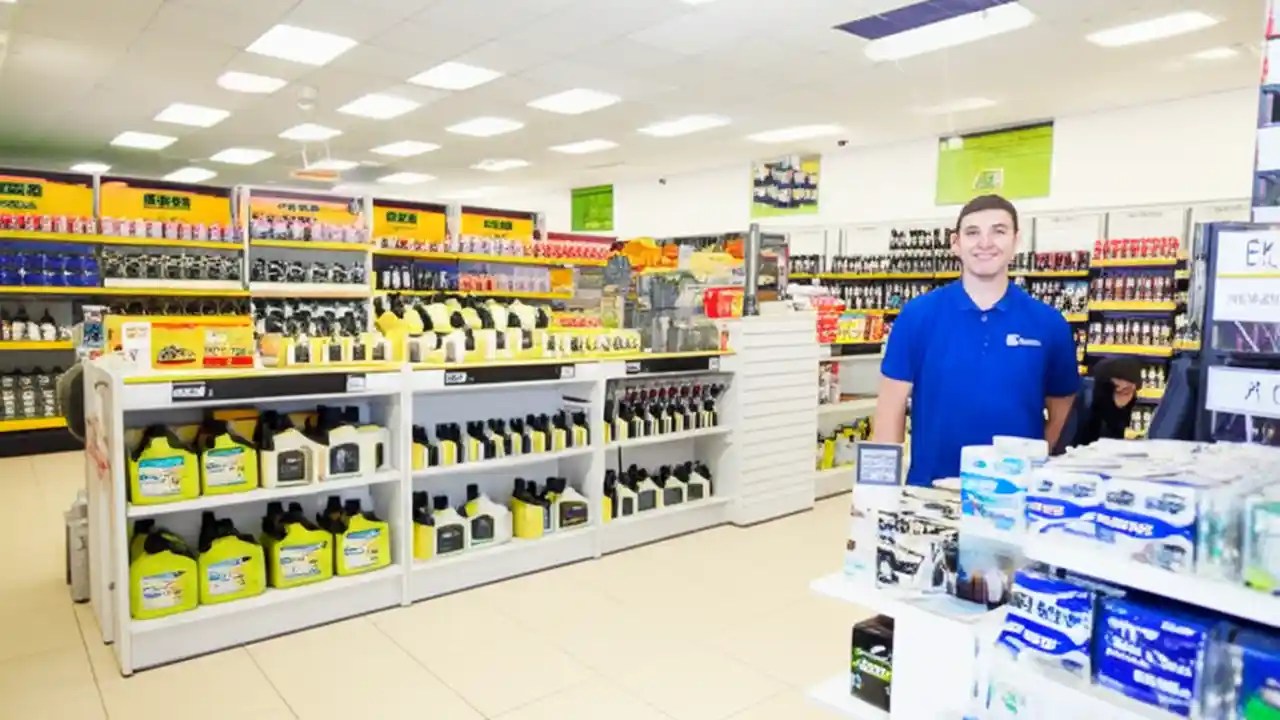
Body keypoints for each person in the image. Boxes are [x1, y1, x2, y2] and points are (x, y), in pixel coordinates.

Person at [873, 194, 1081, 487]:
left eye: (998, 231)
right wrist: (877, 498)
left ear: (1016, 240)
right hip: (931, 493)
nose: (985, 243)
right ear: (955, 243)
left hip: (1014, 497)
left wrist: (1030, 465)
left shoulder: (1049, 324)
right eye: (972, 233)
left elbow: (1061, 409)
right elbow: (889, 412)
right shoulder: (918, 316)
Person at [1060, 356, 1144, 450]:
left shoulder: (1118, 409)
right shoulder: (1085, 407)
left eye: (1131, 390)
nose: (1128, 395)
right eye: (1122, 390)